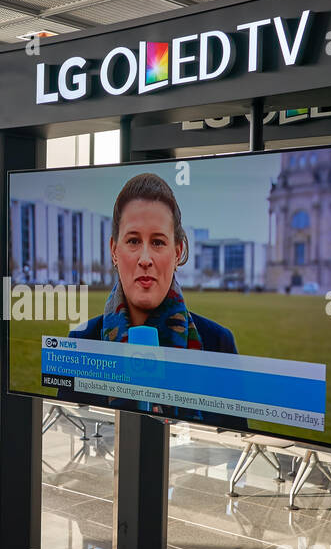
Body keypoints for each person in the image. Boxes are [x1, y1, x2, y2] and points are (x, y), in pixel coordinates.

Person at [68, 172, 235, 419]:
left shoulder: (218, 344)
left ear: (177, 252)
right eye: (133, 241)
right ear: (114, 250)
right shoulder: (81, 343)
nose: (145, 259)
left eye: (157, 242)